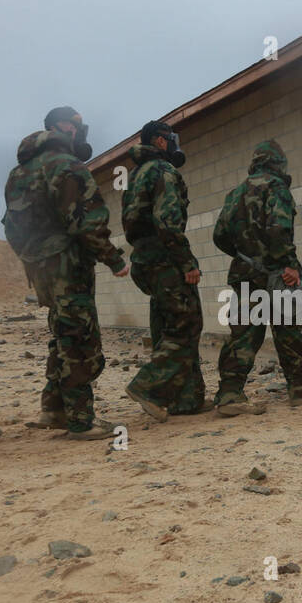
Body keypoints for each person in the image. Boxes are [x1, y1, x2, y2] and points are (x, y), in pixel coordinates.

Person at [3, 107, 129, 438]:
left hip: (40, 267)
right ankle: (80, 420)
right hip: (67, 265)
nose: (81, 130)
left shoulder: (19, 173)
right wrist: (113, 258)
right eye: (76, 125)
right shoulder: (66, 166)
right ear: (63, 128)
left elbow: (12, 228)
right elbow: (85, 222)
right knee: (80, 339)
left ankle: (54, 408)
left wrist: (32, 258)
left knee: (62, 332)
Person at [212, 140, 302, 414]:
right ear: (278, 163)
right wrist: (288, 264)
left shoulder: (236, 193)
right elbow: (279, 228)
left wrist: (245, 253)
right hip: (277, 274)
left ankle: (230, 395)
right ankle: (299, 390)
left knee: (243, 334)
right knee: (288, 331)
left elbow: (219, 235)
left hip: (245, 273)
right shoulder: (277, 187)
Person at [121, 120, 206, 421]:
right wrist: (186, 262)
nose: (173, 143)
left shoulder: (136, 175)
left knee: (167, 325)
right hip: (165, 259)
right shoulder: (164, 172)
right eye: (170, 138)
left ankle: (186, 399)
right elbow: (168, 222)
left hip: (145, 261)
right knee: (186, 324)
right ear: (159, 141)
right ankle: (148, 387)